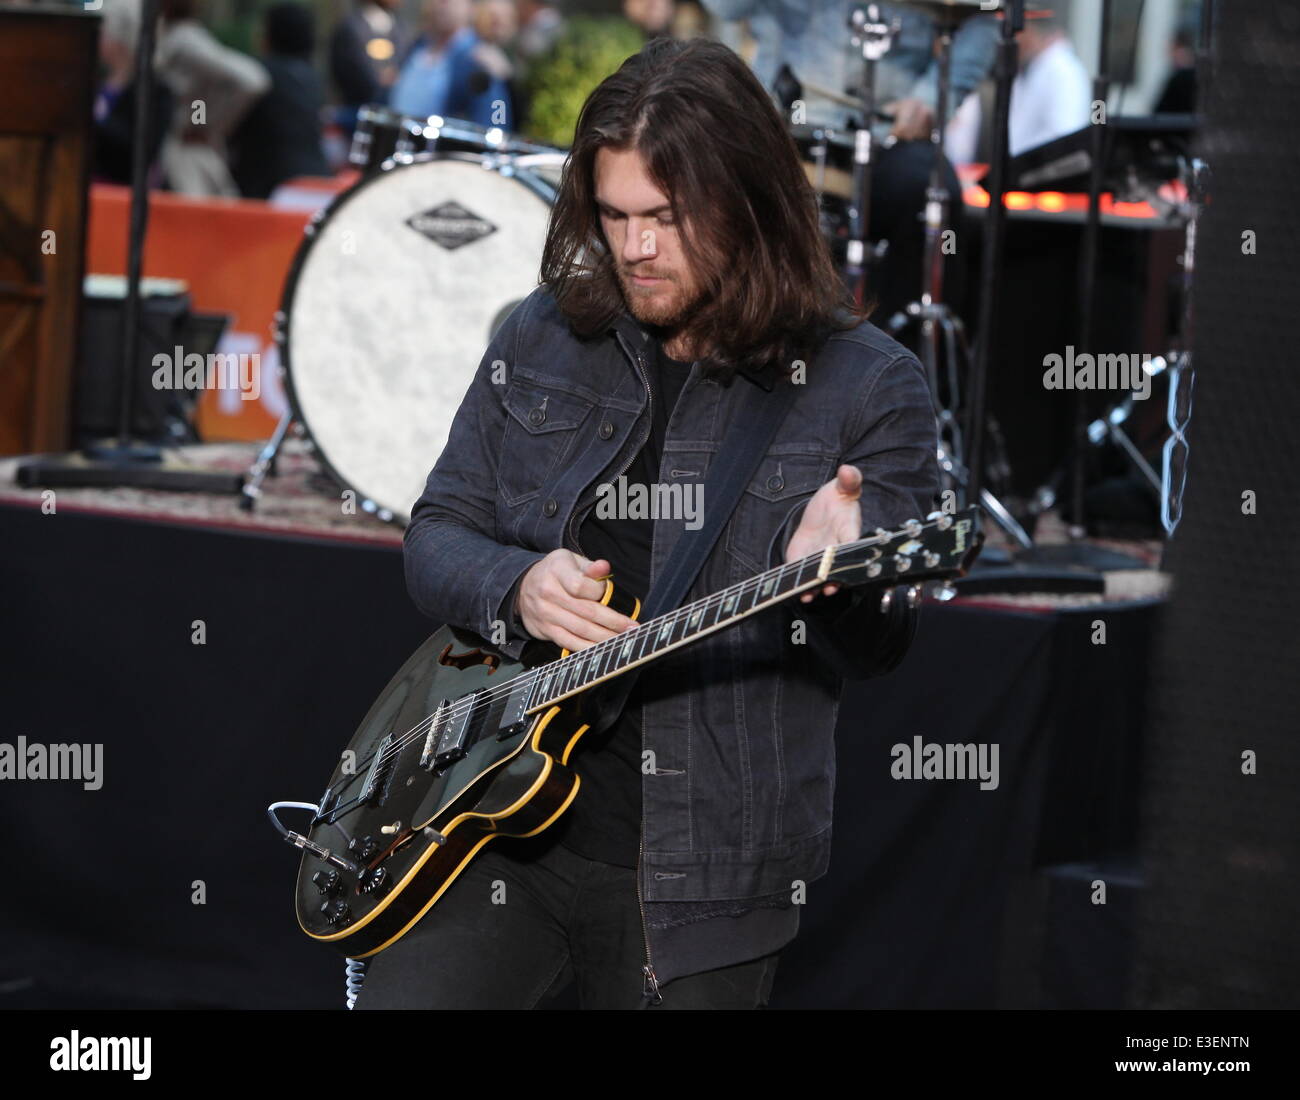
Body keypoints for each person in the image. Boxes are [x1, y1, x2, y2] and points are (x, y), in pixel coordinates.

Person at [355, 36, 938, 1010]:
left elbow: (881, 645)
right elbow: (436, 533)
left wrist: (843, 579)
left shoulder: (865, 385)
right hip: (490, 827)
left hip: (704, 872)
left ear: (748, 203)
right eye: (616, 216)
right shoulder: (543, 333)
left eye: (664, 220)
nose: (633, 248)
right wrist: (518, 584)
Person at [700, 0, 998, 321]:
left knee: (932, 192)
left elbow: (983, 21)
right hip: (783, 118)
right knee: (708, 172)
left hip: (889, 129)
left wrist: (931, 99)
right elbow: (723, 8)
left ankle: (901, 352)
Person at [154, 0, 271, 198]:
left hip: (189, 151)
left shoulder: (186, 41)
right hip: (183, 145)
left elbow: (252, 80)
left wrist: (207, 126)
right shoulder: (177, 36)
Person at [228, 2, 330, 200]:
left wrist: (198, 121)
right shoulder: (312, 79)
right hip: (317, 185)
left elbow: (199, 98)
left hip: (272, 192)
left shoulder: (256, 73)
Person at [389, 0, 514, 128]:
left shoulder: (479, 60)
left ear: (472, 8)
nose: (443, 3)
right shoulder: (417, 47)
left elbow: (496, 122)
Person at [93, 0, 172, 186]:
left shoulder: (156, 91)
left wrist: (96, 123)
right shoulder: (96, 82)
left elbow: (142, 148)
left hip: (123, 192)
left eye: (103, 30)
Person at [328, 0, 410, 133]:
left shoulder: (399, 26)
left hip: (392, 114)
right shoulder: (351, 27)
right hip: (358, 114)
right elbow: (354, 76)